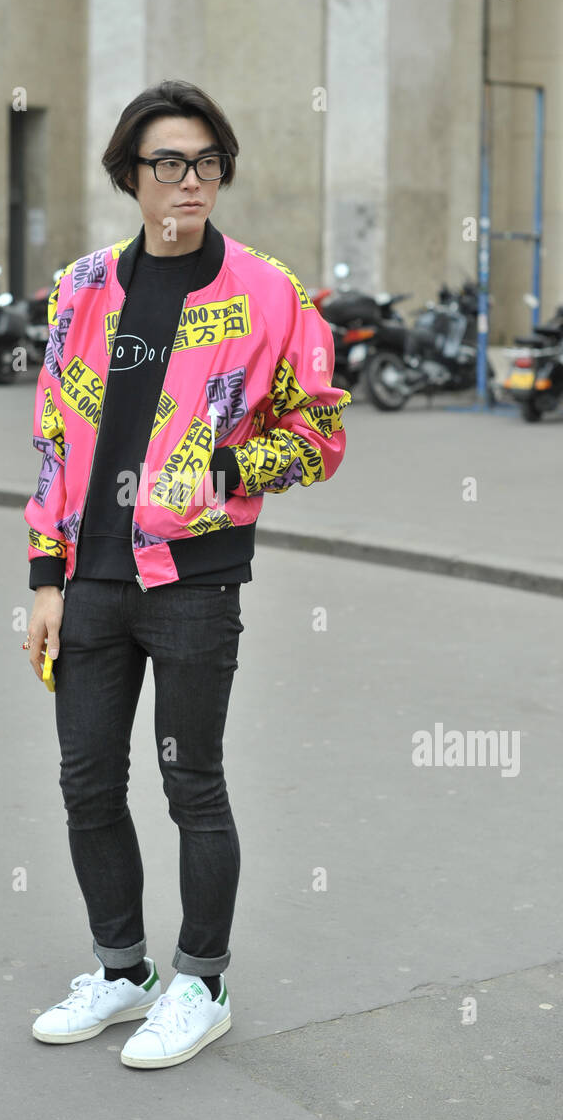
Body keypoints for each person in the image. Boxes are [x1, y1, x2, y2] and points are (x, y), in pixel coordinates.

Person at [23, 80, 350, 1069]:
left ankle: (199, 982)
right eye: (168, 162)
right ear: (131, 174)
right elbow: (51, 439)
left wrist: (224, 466)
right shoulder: (80, 288)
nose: (190, 181)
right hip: (89, 581)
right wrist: (45, 576)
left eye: (206, 162)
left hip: (196, 584)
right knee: (86, 782)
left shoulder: (267, 293)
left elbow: (320, 432)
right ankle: (123, 971)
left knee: (190, 785)